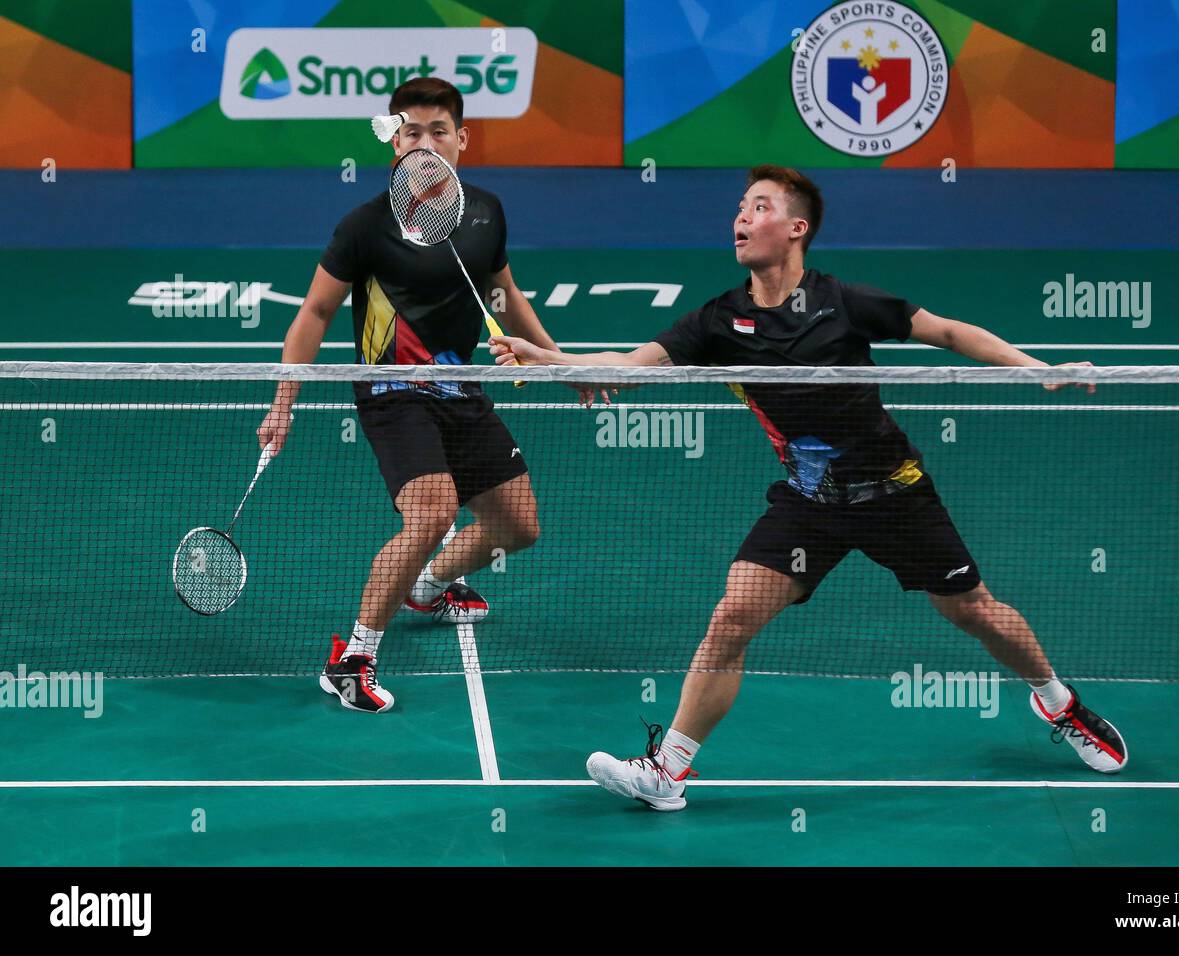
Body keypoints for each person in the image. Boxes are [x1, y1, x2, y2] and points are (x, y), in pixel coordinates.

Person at [489, 164, 1128, 808]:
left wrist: (1036, 369)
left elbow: (948, 331)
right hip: (809, 502)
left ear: (796, 229)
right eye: (739, 205)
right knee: (732, 616)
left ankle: (1057, 702)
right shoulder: (719, 321)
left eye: (758, 206)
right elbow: (627, 369)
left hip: (894, 495)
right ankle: (668, 771)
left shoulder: (843, 302)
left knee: (974, 612)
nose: (740, 217)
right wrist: (544, 358)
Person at [257, 77, 562, 713]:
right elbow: (313, 314)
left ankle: (427, 583)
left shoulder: (484, 212)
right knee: (432, 513)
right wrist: (282, 403)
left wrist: (561, 362)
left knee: (519, 526)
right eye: (412, 131)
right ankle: (354, 657)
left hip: (462, 387)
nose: (424, 142)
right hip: (392, 389)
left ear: (462, 140)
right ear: (395, 140)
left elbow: (504, 292)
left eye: (438, 131)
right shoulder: (365, 225)